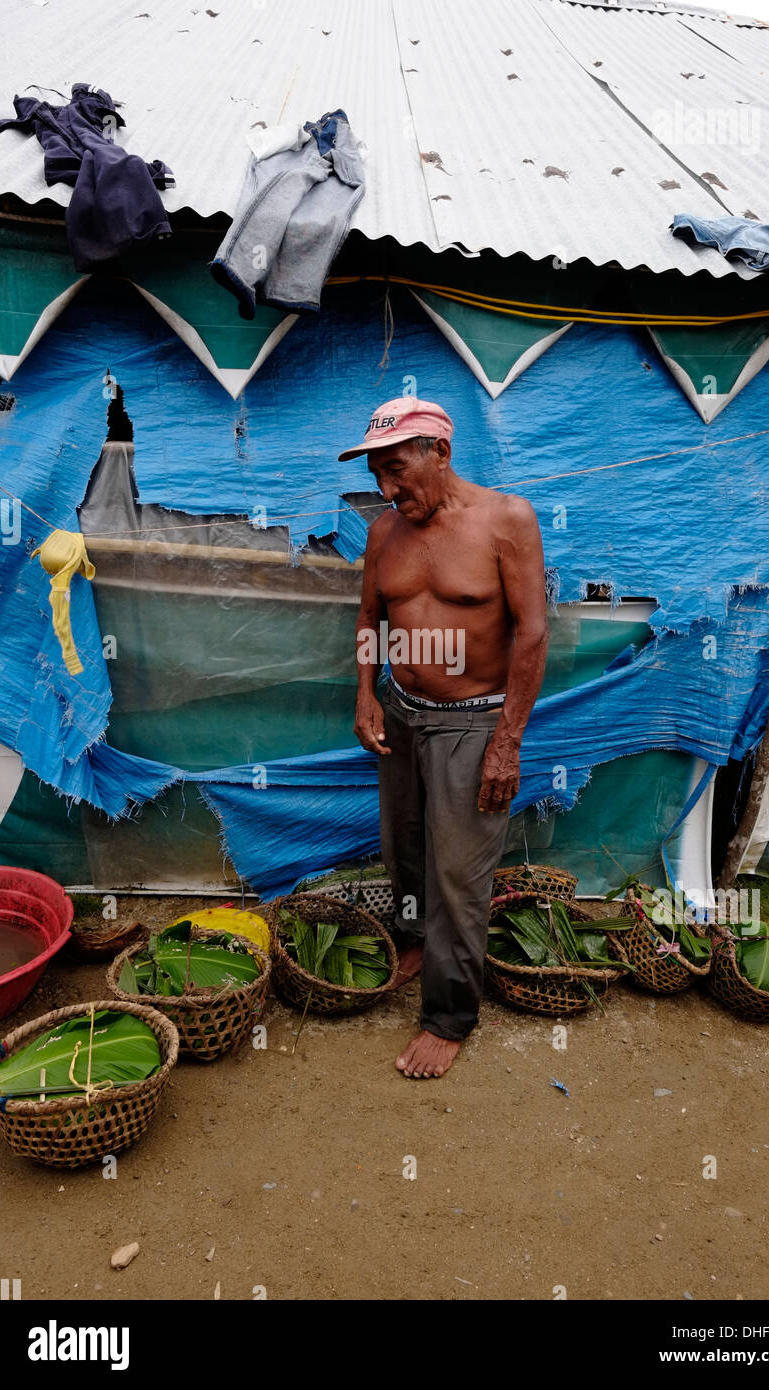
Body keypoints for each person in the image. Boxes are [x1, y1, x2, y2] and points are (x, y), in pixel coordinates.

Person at [340, 398, 548, 1078]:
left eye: (398, 470)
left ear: (442, 454)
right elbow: (370, 616)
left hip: (474, 719)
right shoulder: (384, 534)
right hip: (402, 711)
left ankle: (450, 1015)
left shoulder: (506, 520)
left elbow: (533, 632)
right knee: (405, 846)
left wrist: (507, 740)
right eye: (379, 475)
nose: (389, 490)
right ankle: (412, 943)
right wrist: (367, 693)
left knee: (458, 873)